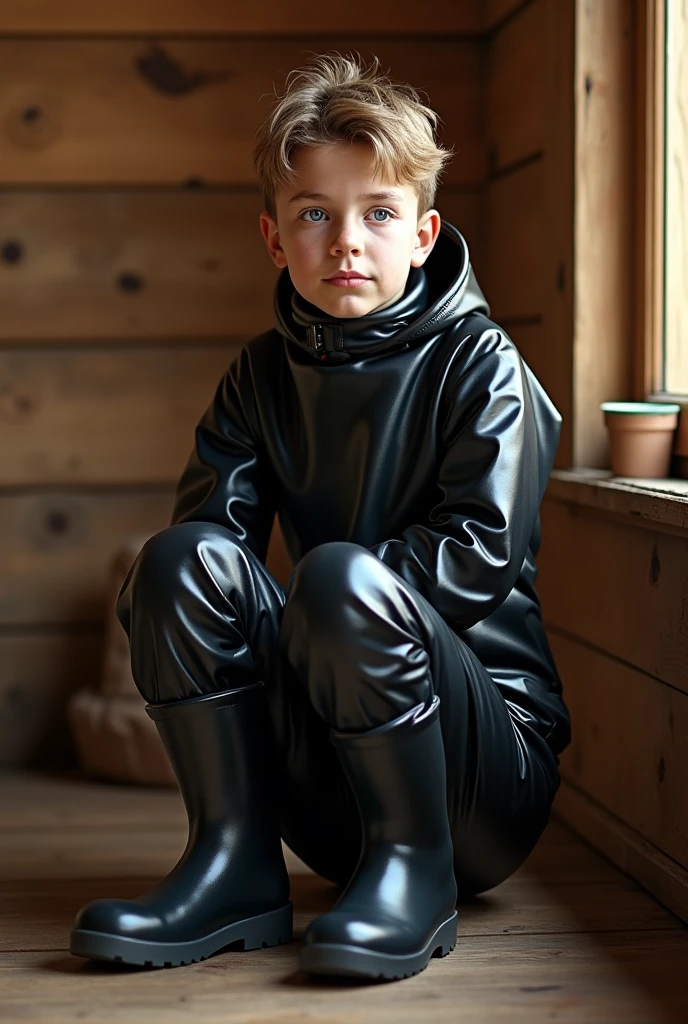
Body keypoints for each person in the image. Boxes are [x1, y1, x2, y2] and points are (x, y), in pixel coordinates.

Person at [70, 51, 571, 982]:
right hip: (330, 786)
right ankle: (234, 866)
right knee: (176, 562)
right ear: (274, 239)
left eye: (378, 214)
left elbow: (480, 553)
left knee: (345, 575)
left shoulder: (483, 365)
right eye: (315, 214)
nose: (347, 241)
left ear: (423, 234)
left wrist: (325, 601)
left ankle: (415, 877)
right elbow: (209, 571)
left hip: (478, 779)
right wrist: (281, 619)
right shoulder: (259, 378)